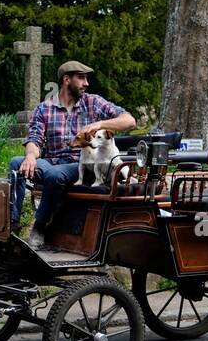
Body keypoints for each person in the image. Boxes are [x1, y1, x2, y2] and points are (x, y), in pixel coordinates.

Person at [9, 60, 136, 248]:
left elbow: (129, 121)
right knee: (15, 163)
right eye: (81, 78)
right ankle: (13, 224)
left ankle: (40, 226)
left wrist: (100, 124)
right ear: (66, 80)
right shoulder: (44, 108)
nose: (86, 83)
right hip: (51, 161)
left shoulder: (93, 103)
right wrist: (29, 156)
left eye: (86, 78)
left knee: (55, 174)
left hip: (81, 164)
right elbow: (34, 140)